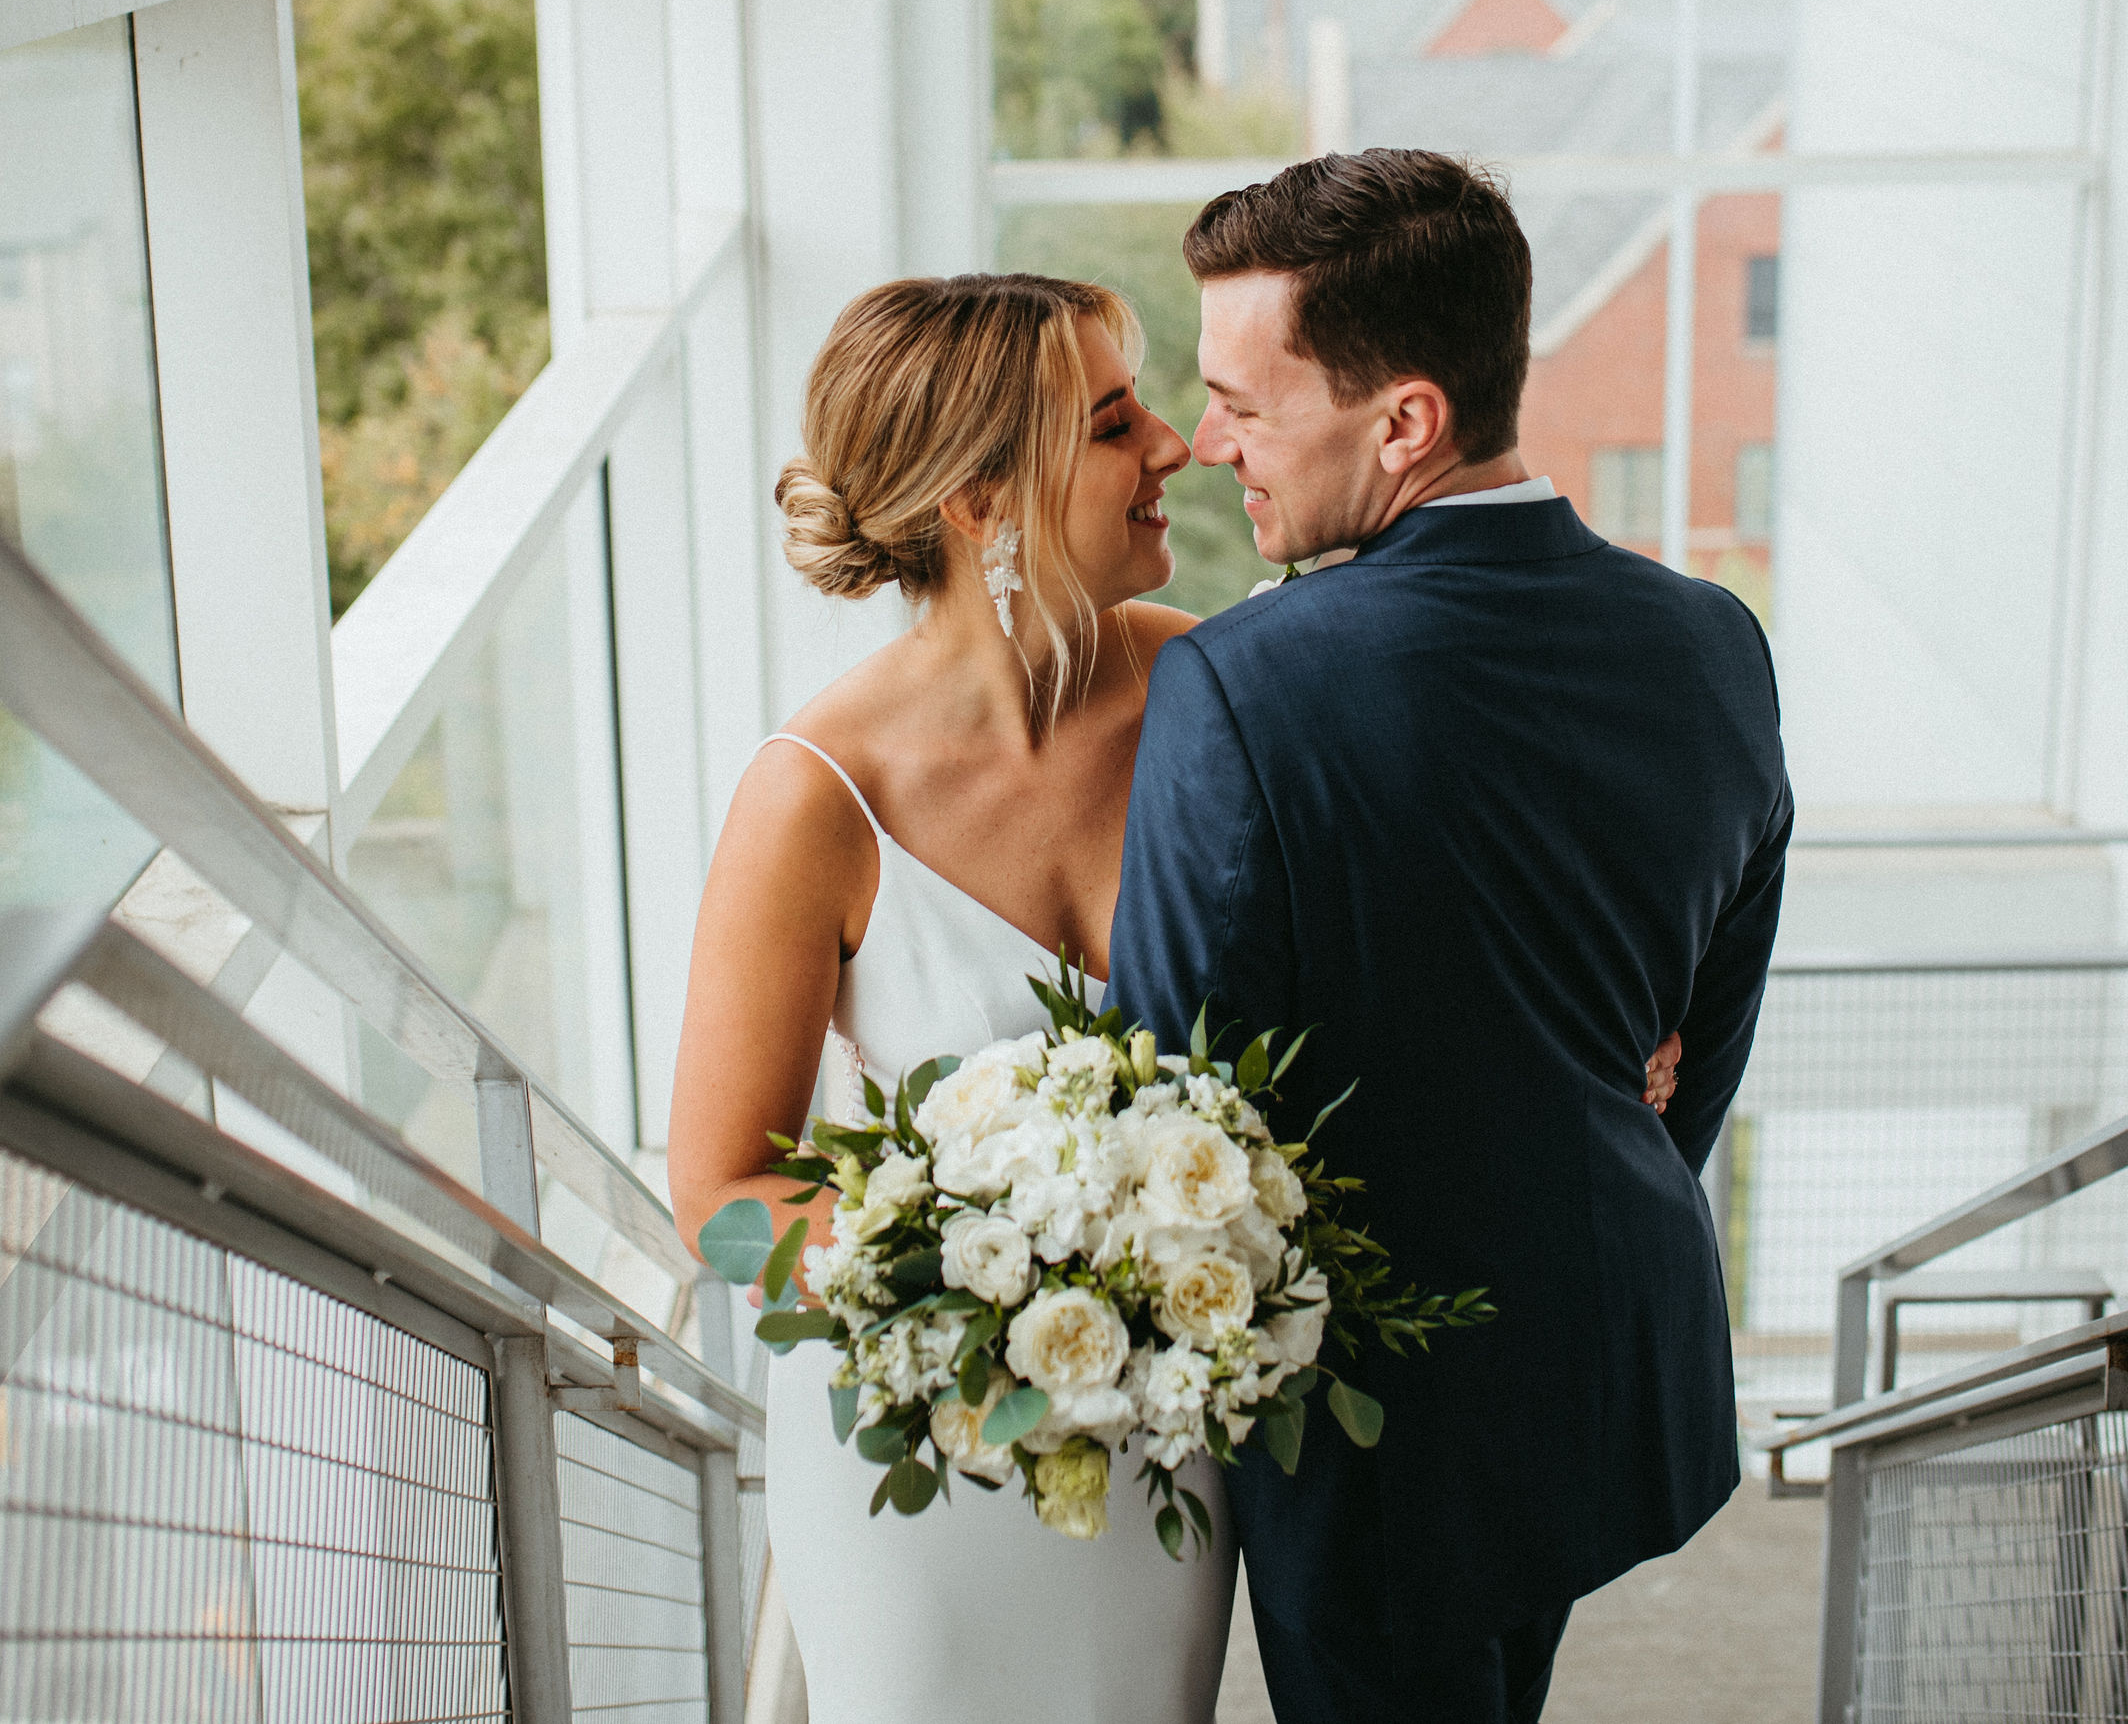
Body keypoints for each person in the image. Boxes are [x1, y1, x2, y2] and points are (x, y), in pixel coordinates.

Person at [1111, 151, 1790, 1724]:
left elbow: (1173, 1089)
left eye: (1245, 404)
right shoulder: (1715, 643)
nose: (1207, 443)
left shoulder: (1245, 684)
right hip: (1607, 1360)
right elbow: (1706, 1033)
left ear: (1405, 420)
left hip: (1369, 1424)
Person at [666, 273, 1238, 1723]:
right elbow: (720, 1198)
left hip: (1158, 1443)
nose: (1173, 445)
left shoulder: (1215, 694)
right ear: (983, 501)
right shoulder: (815, 799)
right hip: (922, 1450)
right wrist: (987, 1281)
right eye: (1113, 423)